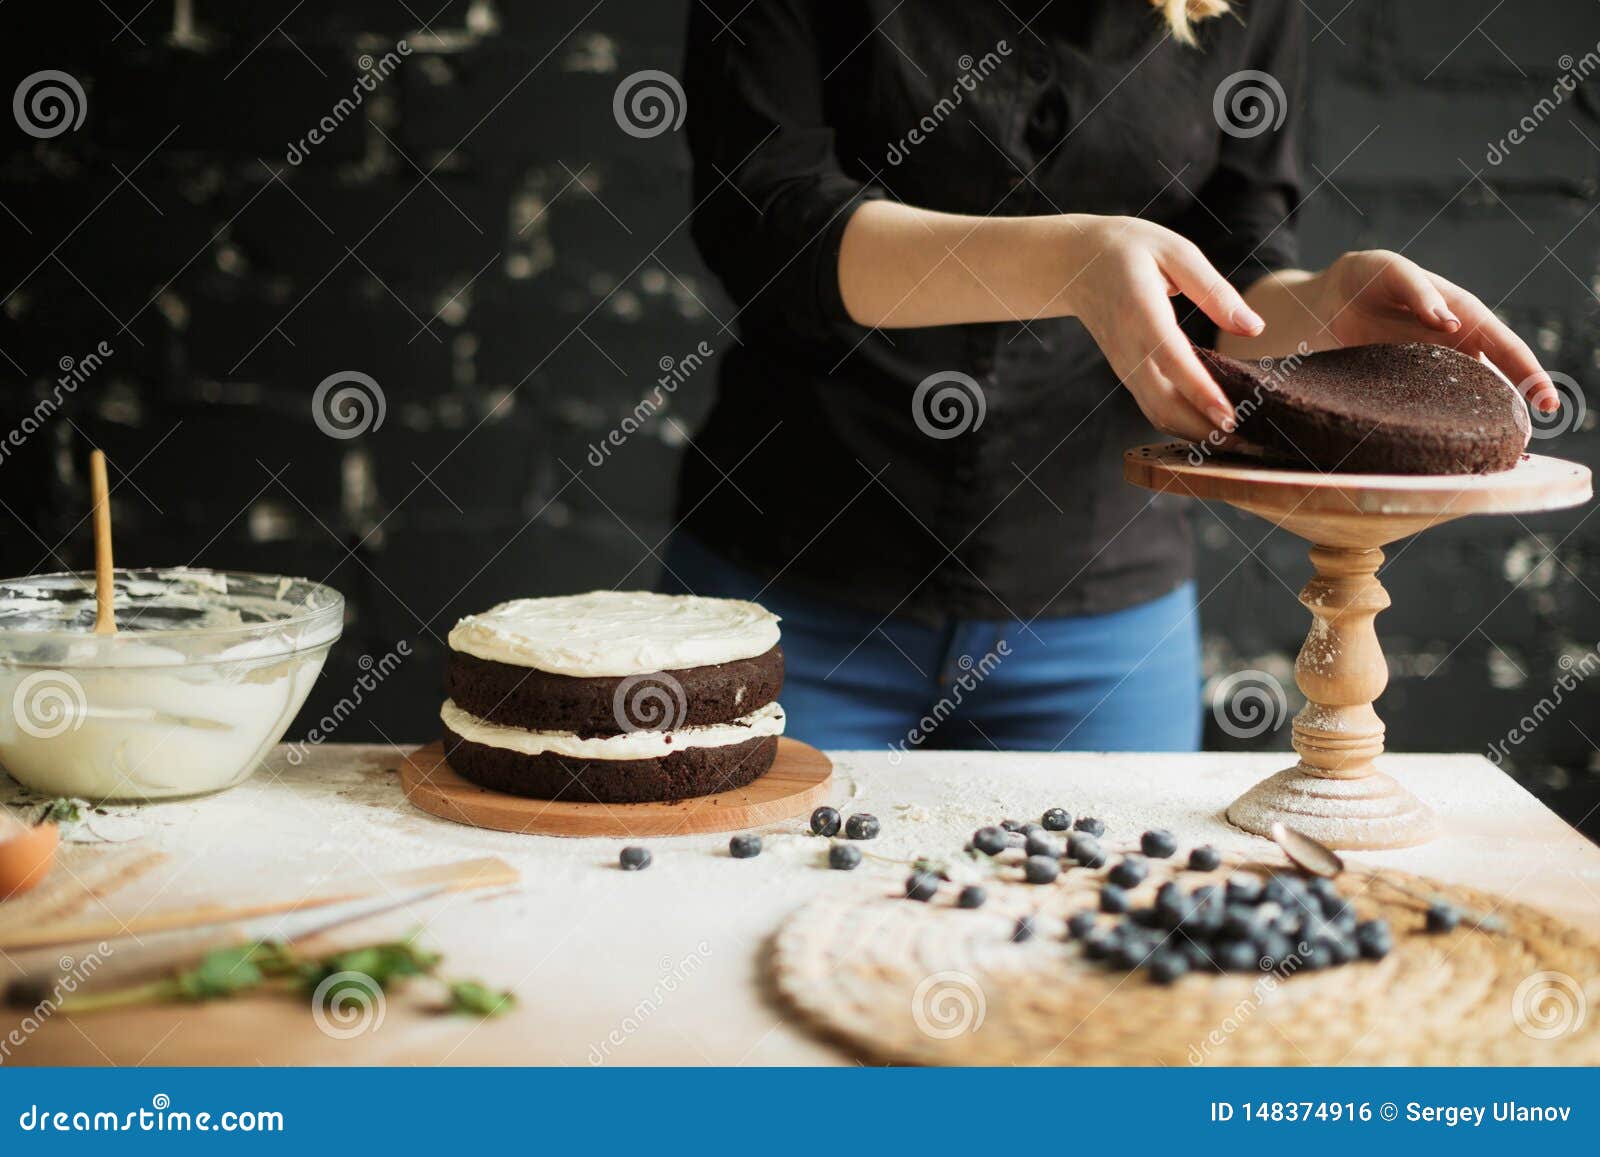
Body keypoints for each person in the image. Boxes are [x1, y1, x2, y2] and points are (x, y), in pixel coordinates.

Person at [658, 0, 1558, 754]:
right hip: (785, 592)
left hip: (1102, 624)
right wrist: (1070, 261)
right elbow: (770, 226)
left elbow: (1232, 266)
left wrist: (1321, 310)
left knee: (1108, 956)